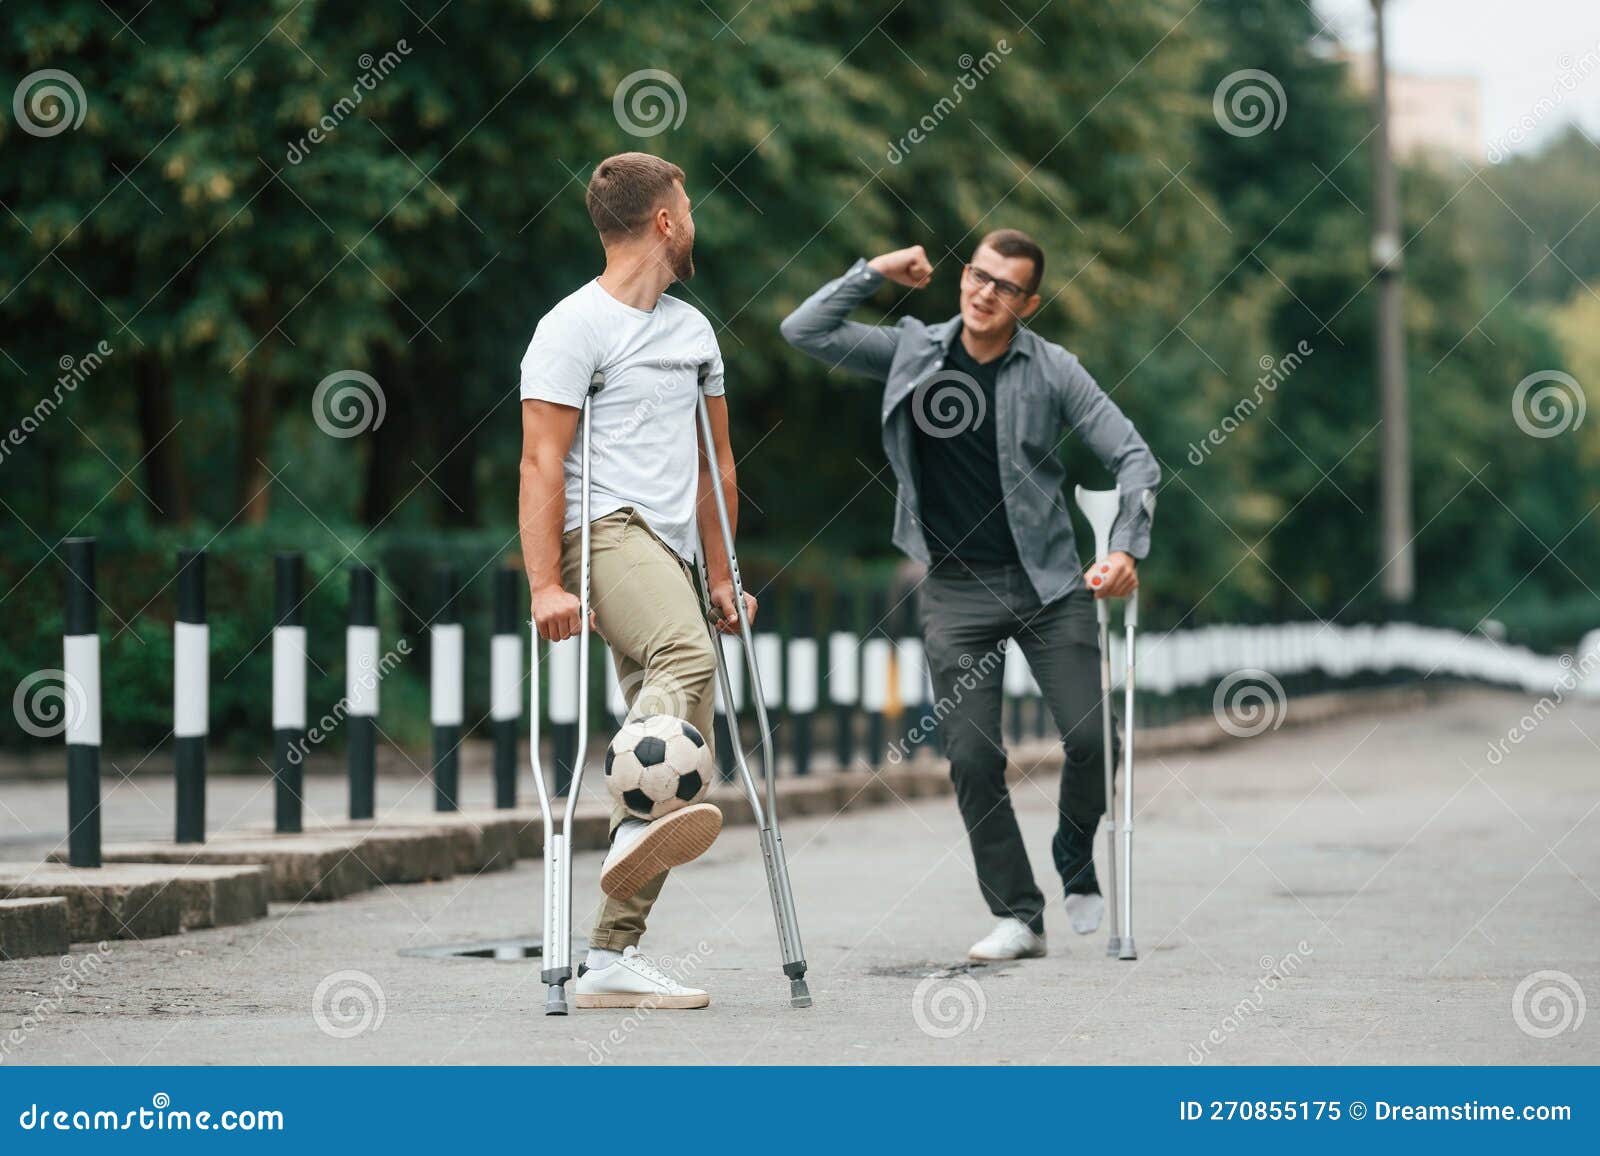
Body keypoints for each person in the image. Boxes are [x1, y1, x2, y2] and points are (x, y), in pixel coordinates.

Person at [780, 231, 1159, 961]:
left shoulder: (1054, 370)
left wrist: (1122, 549)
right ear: (963, 277)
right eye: (978, 277)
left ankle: (1074, 851)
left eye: (1006, 286)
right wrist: (876, 271)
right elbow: (804, 330)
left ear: (1029, 302)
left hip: (1051, 585)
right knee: (973, 756)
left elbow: (1133, 457)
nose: (986, 293)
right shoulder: (912, 350)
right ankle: (1019, 913)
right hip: (955, 591)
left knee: (1090, 739)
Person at [518, 152, 756, 1008]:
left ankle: (612, 955)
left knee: (687, 761)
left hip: (674, 553)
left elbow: (715, 465)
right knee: (686, 659)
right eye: (686, 206)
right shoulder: (571, 327)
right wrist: (545, 584)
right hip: (601, 532)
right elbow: (541, 461)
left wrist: (723, 577)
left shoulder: (692, 331)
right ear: (663, 222)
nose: (694, 221)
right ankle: (628, 824)